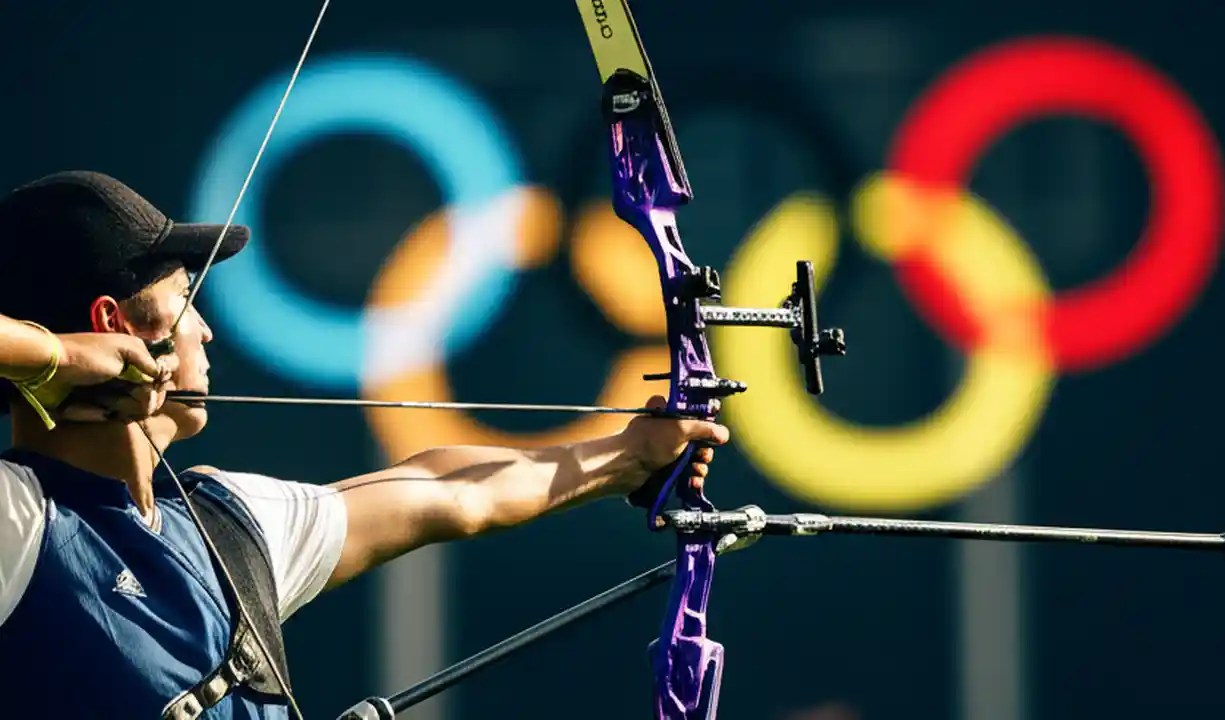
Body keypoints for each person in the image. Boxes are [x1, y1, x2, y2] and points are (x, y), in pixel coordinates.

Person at [0, 170, 728, 717]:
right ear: (116, 323)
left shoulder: (227, 527)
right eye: (187, 299)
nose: (205, 328)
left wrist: (632, 453)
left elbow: (451, 492)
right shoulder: (19, 522)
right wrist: (56, 358)